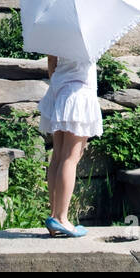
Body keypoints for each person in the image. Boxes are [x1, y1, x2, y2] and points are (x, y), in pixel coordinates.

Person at [38, 53, 103, 237]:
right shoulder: (88, 32)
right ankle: (61, 218)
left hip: (58, 90)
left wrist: (59, 83)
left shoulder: (58, 28)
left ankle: (54, 216)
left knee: (58, 156)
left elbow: (52, 61)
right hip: (78, 93)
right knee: (70, 157)